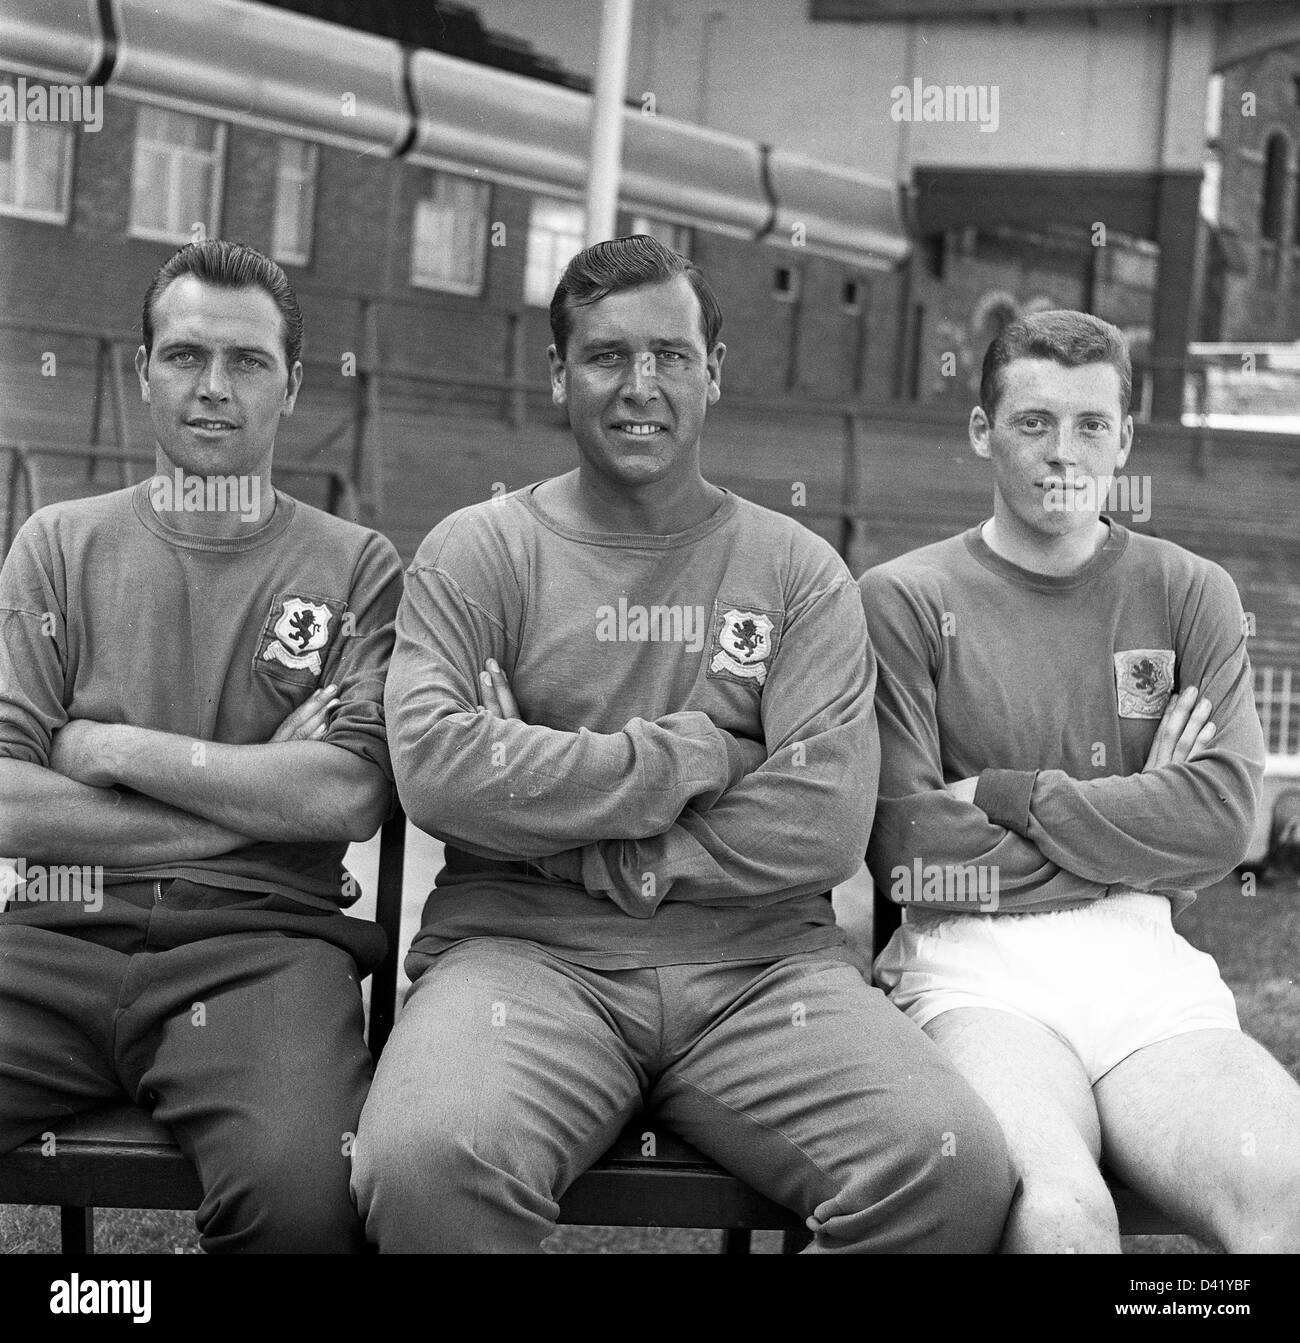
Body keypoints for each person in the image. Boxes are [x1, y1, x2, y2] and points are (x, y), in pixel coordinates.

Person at [351, 234, 1014, 1253]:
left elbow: (822, 820)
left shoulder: (798, 571)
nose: (639, 385)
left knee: (944, 1160)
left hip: (760, 968)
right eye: (607, 355)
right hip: (522, 951)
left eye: (668, 354)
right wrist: (703, 752)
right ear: (559, 374)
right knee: (428, 1161)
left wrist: (558, 806)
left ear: (714, 371)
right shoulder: (476, 550)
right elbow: (439, 768)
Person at [860, 308, 1300, 1253]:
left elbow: (1223, 822)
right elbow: (908, 855)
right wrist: (1141, 831)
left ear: (1125, 439)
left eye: (1091, 424)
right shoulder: (904, 599)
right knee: (1062, 1215)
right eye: (1033, 422)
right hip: (973, 971)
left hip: (1145, 970)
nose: (1064, 452)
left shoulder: (1191, 591)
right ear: (984, 432)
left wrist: (1008, 796)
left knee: (1289, 1191)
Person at [0, 240, 403, 1252]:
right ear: (142, 371)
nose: (213, 388)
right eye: (183, 356)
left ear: (293, 384)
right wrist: (252, 796)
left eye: (247, 361)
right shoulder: (58, 542)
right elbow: (7, 803)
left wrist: (107, 745)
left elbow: (347, 799)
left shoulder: (355, 565)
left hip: (260, 951)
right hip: (53, 932)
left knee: (305, 1194)